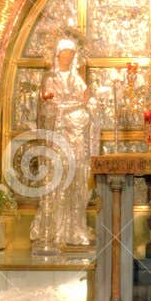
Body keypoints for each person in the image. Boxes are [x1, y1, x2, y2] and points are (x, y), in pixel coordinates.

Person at [27, 37, 96, 252]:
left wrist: (85, 104)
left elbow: (89, 105)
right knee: (55, 182)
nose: (68, 57)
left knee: (76, 181)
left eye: (71, 54)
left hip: (76, 139)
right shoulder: (50, 78)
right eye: (64, 53)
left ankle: (74, 229)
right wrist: (73, 106)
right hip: (56, 140)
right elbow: (48, 106)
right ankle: (51, 230)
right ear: (57, 55)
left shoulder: (77, 80)